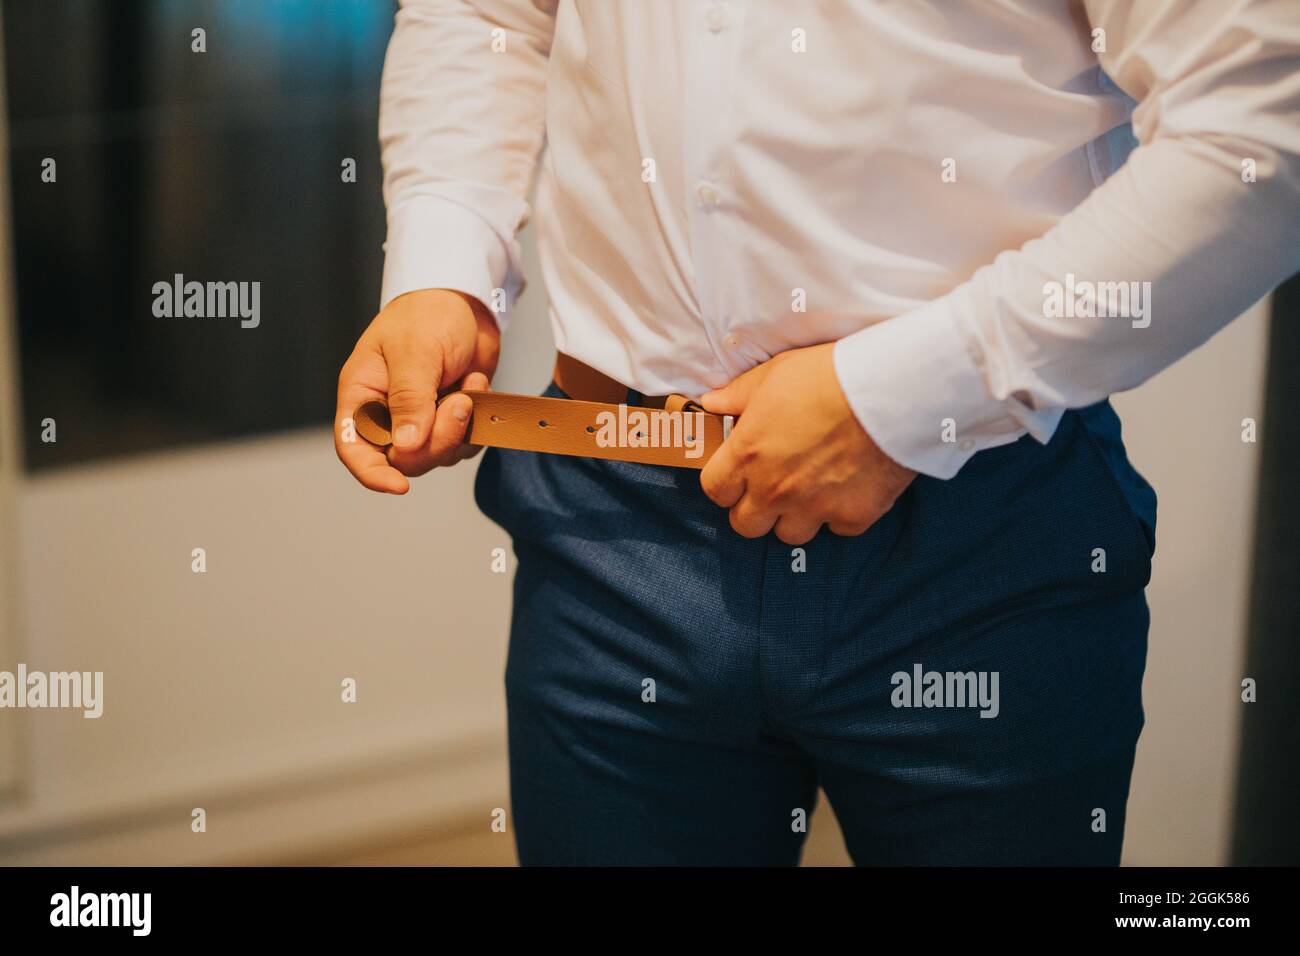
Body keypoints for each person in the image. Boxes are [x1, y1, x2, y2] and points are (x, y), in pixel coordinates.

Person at [335, 0, 1300, 865]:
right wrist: (443, 259)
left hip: (982, 545)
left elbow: (1259, 129)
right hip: (608, 529)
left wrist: (901, 401)